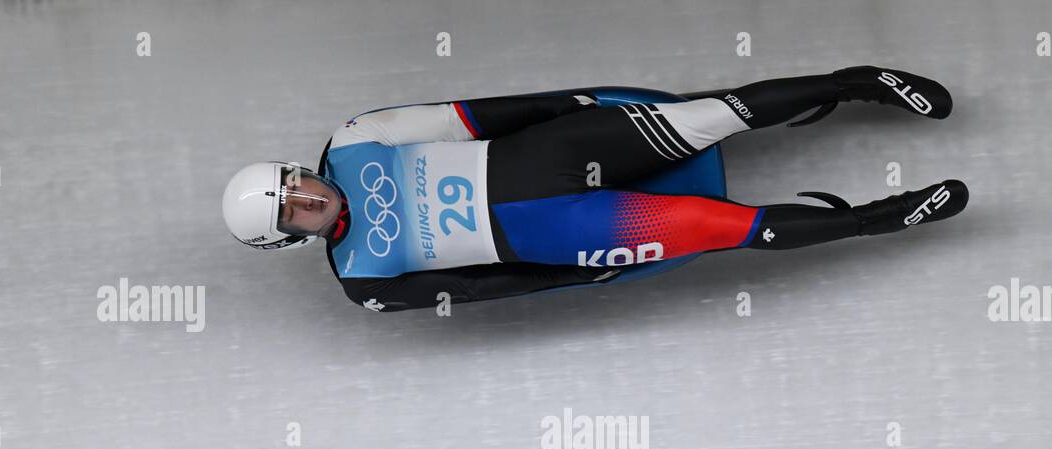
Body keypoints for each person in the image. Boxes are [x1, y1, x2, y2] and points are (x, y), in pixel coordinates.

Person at [221, 67, 968, 312]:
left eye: (296, 186)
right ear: (292, 237)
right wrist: (575, 274)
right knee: (720, 227)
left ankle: (857, 82)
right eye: (295, 213)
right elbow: (481, 288)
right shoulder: (365, 283)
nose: (308, 199)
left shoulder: (354, 137)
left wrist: (566, 106)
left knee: (710, 115)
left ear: (302, 170)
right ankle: (879, 221)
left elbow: (466, 117)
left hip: (542, 155)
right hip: (562, 229)